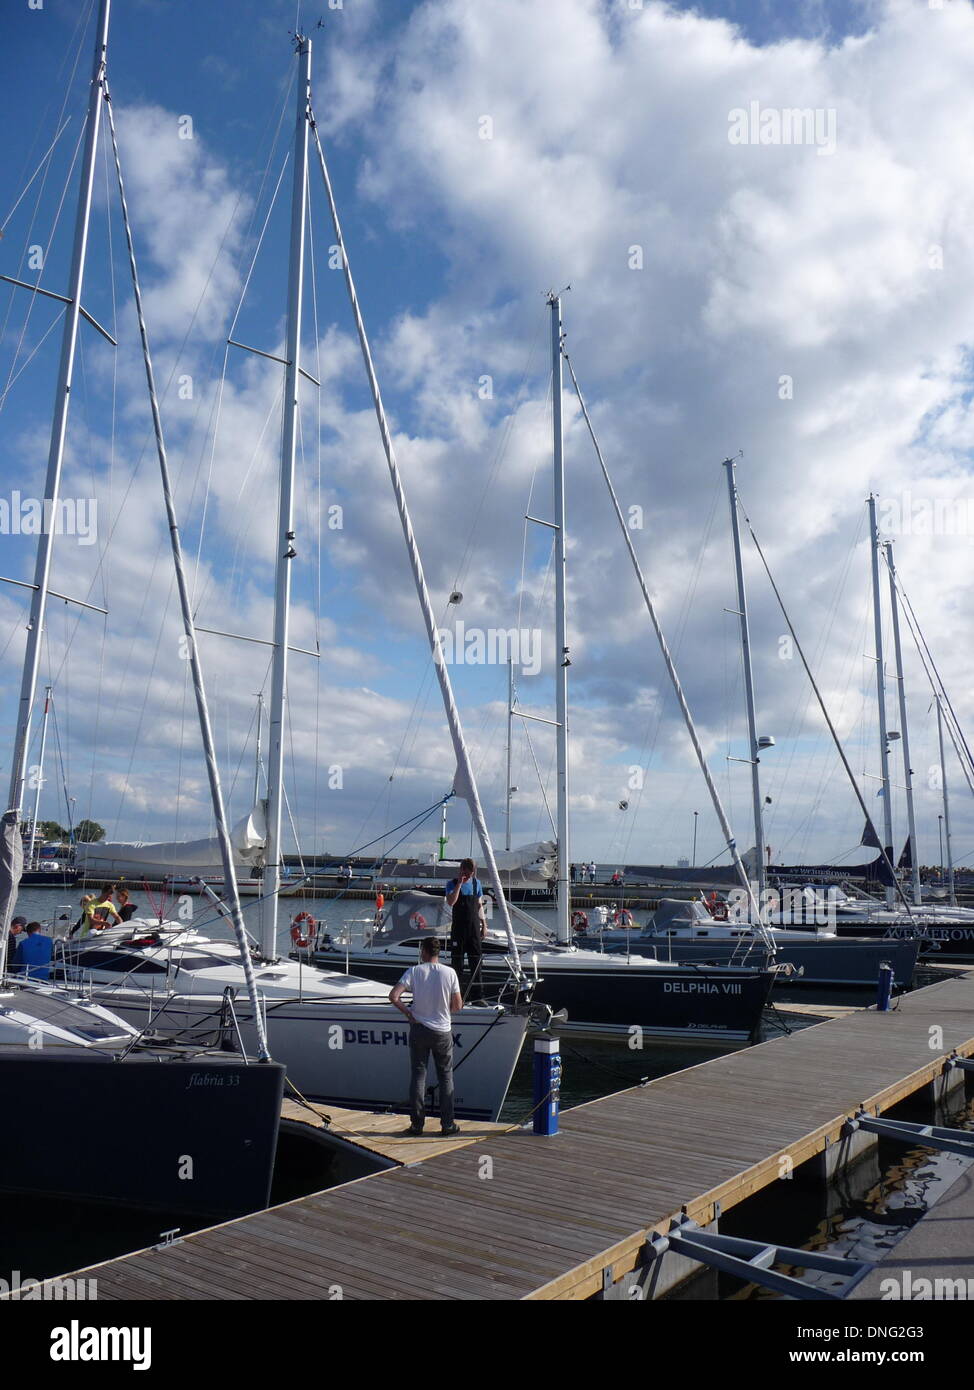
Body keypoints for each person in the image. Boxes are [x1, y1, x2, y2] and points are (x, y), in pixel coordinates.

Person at [389, 937, 462, 1136]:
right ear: (438, 952)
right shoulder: (450, 973)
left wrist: (408, 1013)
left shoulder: (414, 971)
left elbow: (394, 996)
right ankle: (447, 1124)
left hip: (419, 1028)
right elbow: (457, 1005)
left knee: (418, 1076)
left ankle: (416, 1125)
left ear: (424, 951)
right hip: (442, 1031)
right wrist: (442, 1008)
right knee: (446, 1076)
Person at [445, 856, 487, 1003]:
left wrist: (484, 924)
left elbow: (479, 905)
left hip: (474, 928)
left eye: (472, 872)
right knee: (458, 964)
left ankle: (478, 996)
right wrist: (459, 885)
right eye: (468, 872)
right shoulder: (451, 884)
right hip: (459, 929)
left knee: (476, 962)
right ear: (462, 870)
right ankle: (457, 997)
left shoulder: (477, 884)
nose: (470, 875)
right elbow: (451, 902)